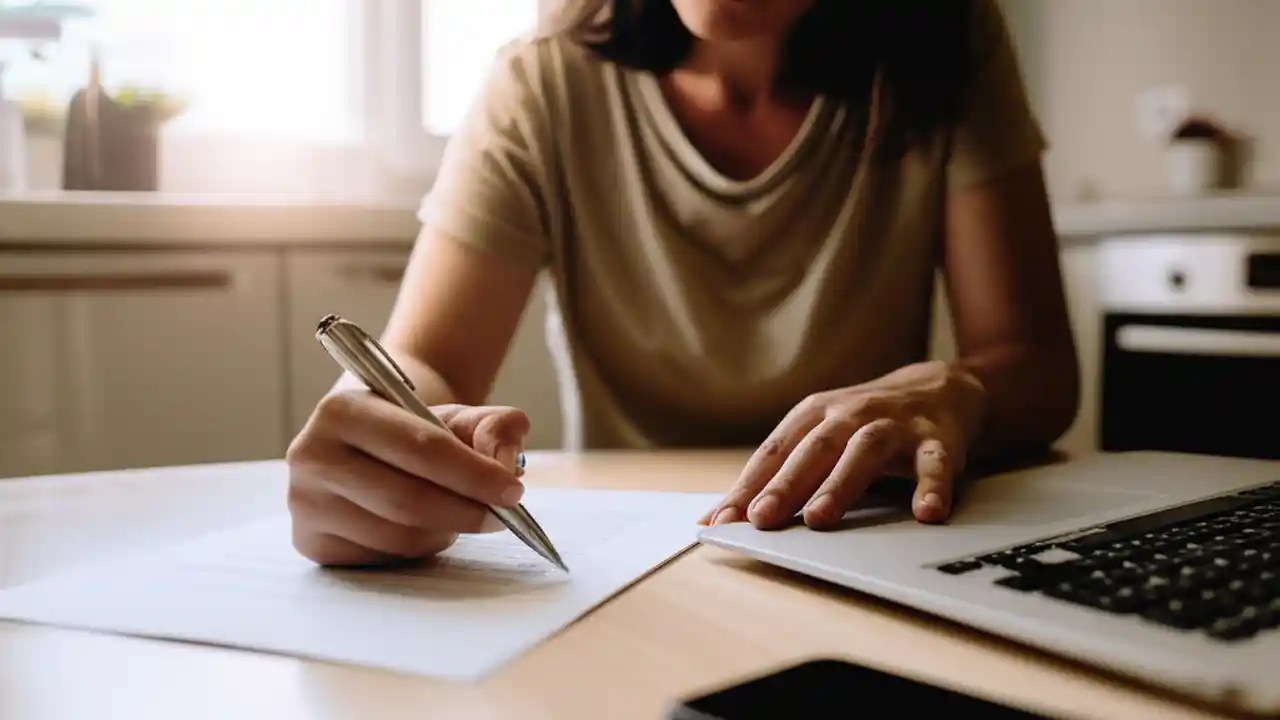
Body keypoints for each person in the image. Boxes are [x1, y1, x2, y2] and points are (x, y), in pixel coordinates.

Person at [286, 0, 1079, 565]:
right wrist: (374, 433)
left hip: (879, 539)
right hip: (638, 562)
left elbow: (1037, 368)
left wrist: (958, 389)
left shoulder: (946, 42)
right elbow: (429, 367)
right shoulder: (542, 82)